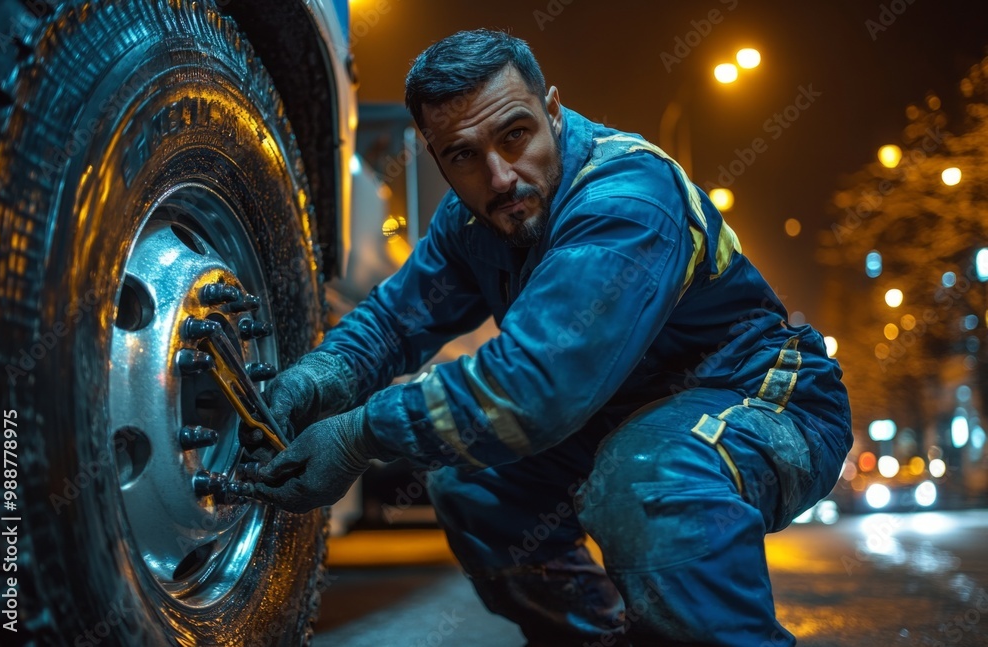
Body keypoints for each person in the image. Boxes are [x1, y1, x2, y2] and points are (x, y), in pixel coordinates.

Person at [253, 29, 852, 646]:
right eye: (462, 155)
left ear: (555, 113)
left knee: (649, 474)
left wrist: (358, 435)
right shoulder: (470, 221)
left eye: (515, 135)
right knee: (473, 481)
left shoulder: (628, 199)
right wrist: (319, 377)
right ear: (437, 159)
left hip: (762, 397)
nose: (501, 177)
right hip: (615, 415)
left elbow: (533, 389)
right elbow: (393, 321)